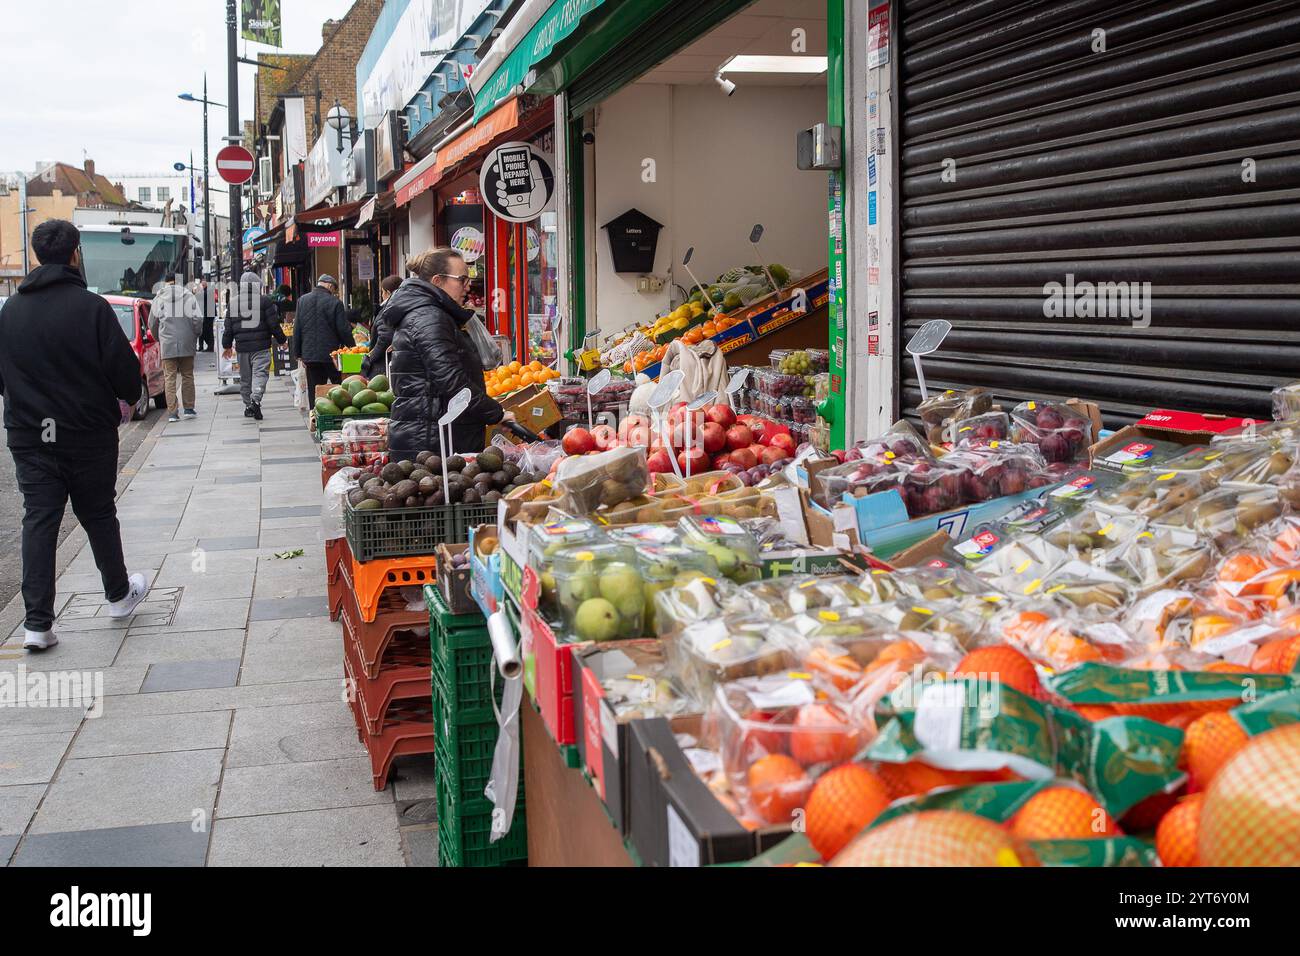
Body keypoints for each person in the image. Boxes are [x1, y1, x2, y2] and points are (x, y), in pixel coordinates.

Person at [0, 219, 150, 651]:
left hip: (30, 436)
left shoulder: (10, 311)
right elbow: (125, 375)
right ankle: (119, 596)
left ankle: (37, 624)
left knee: (39, 520)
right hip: (87, 433)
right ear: (74, 254)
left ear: (35, 255)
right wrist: (123, 396)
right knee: (98, 513)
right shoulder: (93, 308)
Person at [385, 249, 512, 461]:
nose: (468, 286)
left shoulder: (432, 314)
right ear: (438, 281)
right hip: (432, 441)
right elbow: (451, 380)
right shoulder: (429, 318)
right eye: (462, 279)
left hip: (434, 434)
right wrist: (496, 413)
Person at [223, 272, 286, 421]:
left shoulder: (233, 303)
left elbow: (228, 327)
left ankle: (248, 406)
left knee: (245, 378)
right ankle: (255, 400)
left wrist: (226, 345)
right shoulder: (265, 301)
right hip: (261, 346)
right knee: (260, 374)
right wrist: (282, 340)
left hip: (242, 348)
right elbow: (273, 324)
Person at [149, 275, 202, 422]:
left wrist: (159, 338)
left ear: (165, 283)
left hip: (167, 343)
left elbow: (152, 323)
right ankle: (189, 408)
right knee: (187, 375)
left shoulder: (158, 298)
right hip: (187, 341)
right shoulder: (188, 296)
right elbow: (198, 319)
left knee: (170, 378)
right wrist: (195, 334)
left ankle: (172, 412)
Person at [292, 274, 352, 397]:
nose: (333, 293)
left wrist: (298, 354)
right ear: (330, 286)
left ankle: (314, 413)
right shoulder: (335, 302)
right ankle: (336, 415)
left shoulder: (302, 300)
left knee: (315, 391)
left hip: (309, 354)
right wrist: (352, 348)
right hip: (332, 355)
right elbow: (343, 330)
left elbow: (297, 328)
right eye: (334, 290)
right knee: (339, 389)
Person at [361, 275, 403, 378]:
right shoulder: (402, 306)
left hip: (383, 365)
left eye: (382, 292)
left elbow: (385, 337)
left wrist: (371, 356)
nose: (382, 295)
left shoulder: (387, 309)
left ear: (388, 293)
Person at [198, 278, 217, 352]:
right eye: (202, 284)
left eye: (203, 284)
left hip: (209, 314)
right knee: (207, 330)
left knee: (207, 330)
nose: (202, 285)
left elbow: (201, 296)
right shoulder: (206, 290)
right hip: (208, 313)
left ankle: (210, 346)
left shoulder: (208, 290)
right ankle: (207, 346)